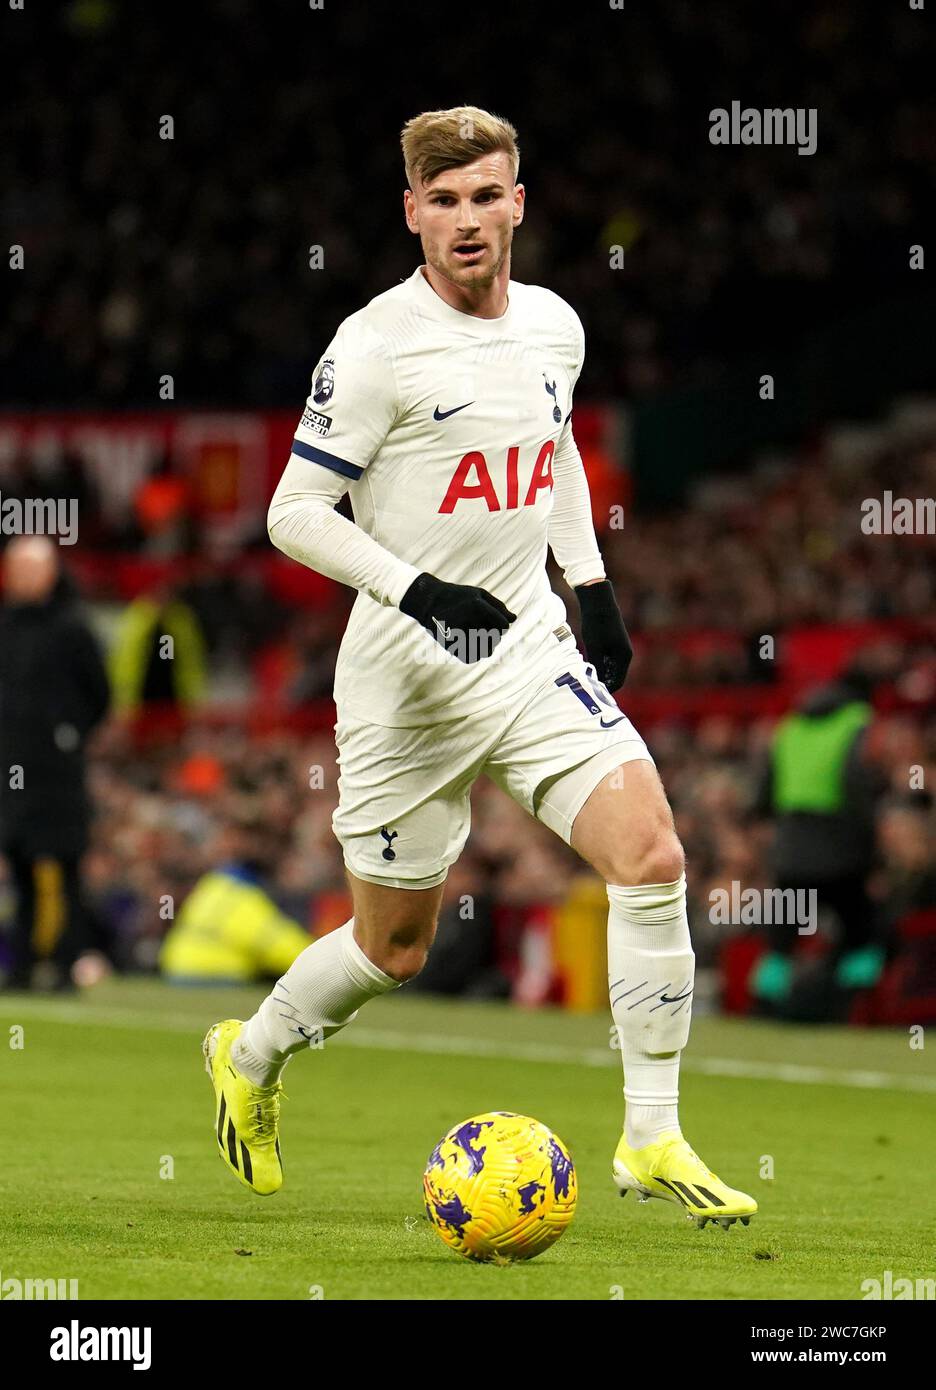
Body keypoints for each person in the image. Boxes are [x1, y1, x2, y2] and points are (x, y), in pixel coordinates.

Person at [203, 106, 756, 1227]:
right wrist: (413, 587)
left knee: (652, 855)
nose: (465, 219)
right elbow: (293, 511)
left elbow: (550, 453)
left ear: (518, 202)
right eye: (442, 200)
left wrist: (588, 582)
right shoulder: (372, 345)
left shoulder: (554, 326)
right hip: (405, 676)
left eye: (485, 195)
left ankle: (652, 1136)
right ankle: (249, 1056)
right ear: (411, 212)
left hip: (521, 652)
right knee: (393, 948)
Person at [0, 536, 110, 989]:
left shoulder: (73, 627)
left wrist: (69, 734)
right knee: (20, 867)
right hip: (10, 769)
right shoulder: (4, 626)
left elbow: (99, 695)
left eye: (29, 568)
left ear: (49, 572)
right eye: (14, 569)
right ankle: (23, 964)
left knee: (65, 867)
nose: (20, 577)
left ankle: (65, 965)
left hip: (57, 773)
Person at [160, 812, 310, 985]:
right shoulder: (244, 895)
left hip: (176, 969)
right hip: (215, 976)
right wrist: (327, 961)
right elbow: (275, 943)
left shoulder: (209, 886)